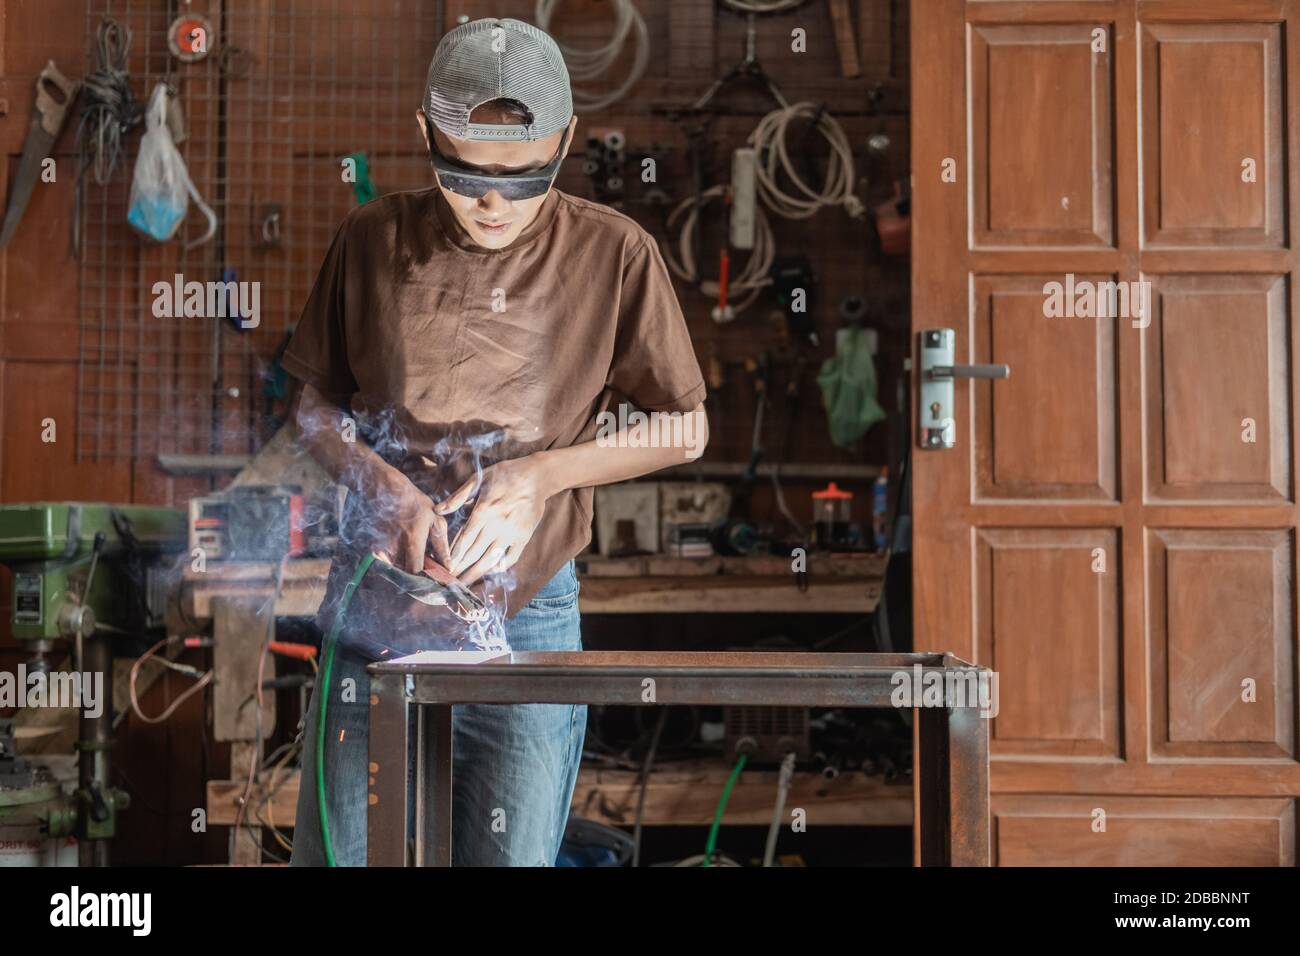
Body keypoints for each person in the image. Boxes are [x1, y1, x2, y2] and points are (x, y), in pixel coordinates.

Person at [284, 17, 707, 866]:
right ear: (424, 134)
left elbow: (685, 426)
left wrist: (542, 476)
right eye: (464, 172)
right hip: (378, 603)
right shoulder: (372, 240)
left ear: (567, 141)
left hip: (526, 609)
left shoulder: (614, 252)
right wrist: (379, 482)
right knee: (348, 856)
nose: (492, 203)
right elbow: (310, 410)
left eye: (526, 179)